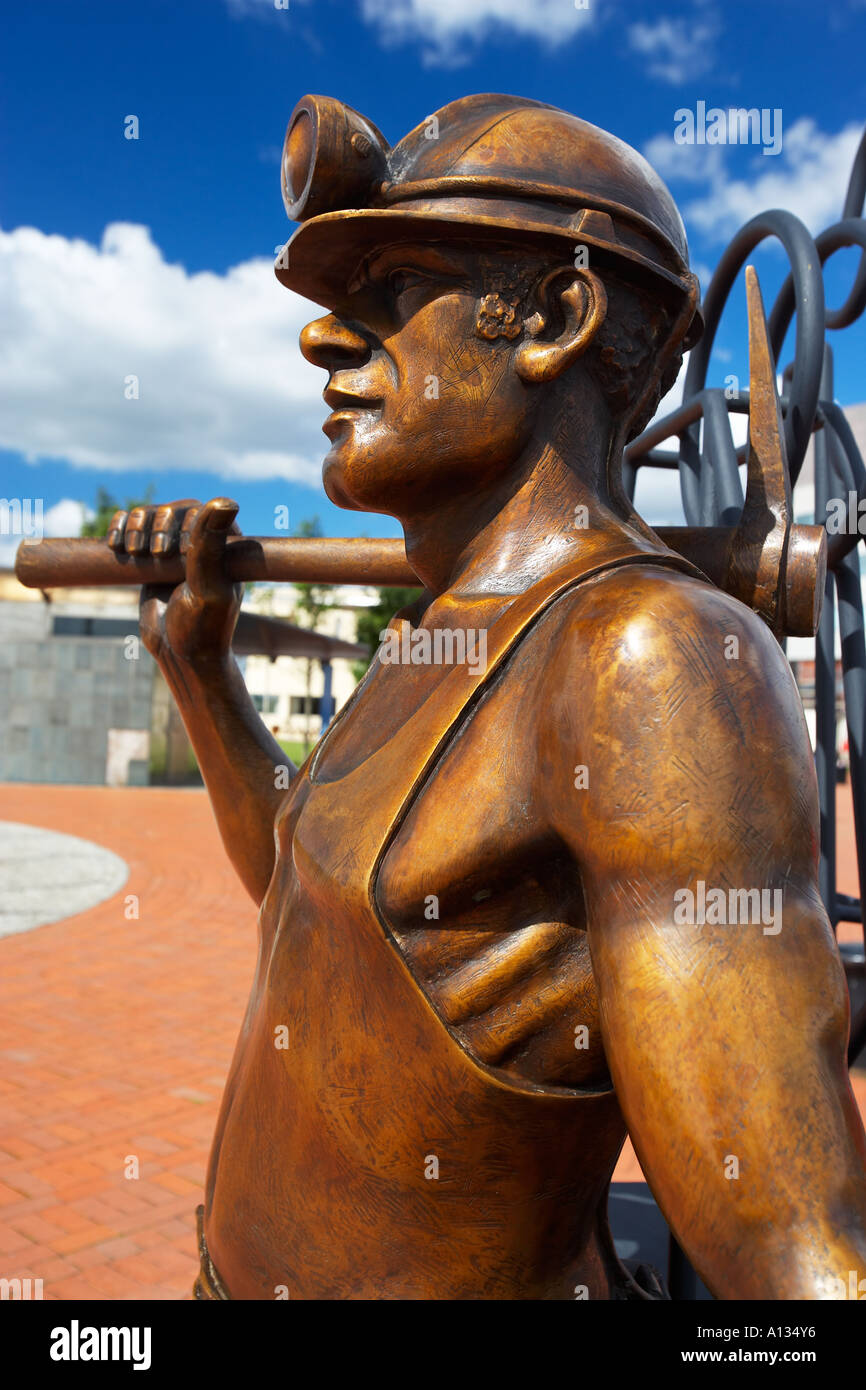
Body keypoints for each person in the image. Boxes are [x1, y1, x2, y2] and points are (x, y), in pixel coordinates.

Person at [107, 95, 866, 1299]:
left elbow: (787, 1255)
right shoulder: (440, 631)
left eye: (391, 283)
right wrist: (196, 667)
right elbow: (315, 913)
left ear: (556, 318)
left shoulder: (641, 658)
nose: (322, 341)